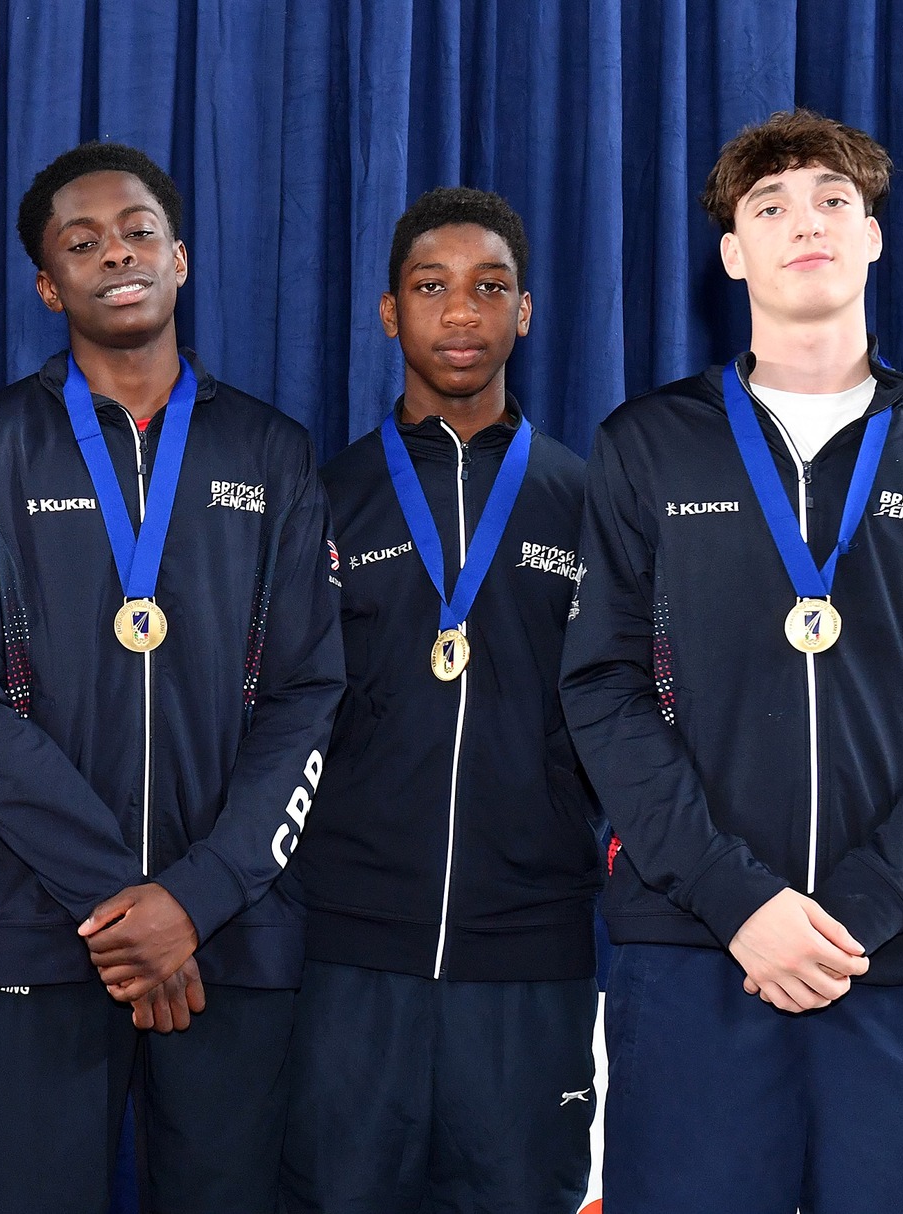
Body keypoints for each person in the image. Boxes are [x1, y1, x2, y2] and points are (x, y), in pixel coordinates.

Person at [560, 109, 903, 1211]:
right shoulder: (647, 444)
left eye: (834, 200)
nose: (806, 223)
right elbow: (601, 691)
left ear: (872, 237)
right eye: (770, 205)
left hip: (900, 960)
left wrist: (867, 908)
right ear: (733, 254)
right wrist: (737, 901)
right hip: (697, 955)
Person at [0, 140, 344, 1214]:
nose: (115, 253)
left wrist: (194, 899)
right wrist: (129, 911)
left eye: (138, 232)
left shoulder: (271, 451)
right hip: (35, 927)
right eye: (82, 242)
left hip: (233, 935)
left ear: (180, 259)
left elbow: (305, 696)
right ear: (46, 284)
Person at [280, 187, 601, 1214]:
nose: (460, 311)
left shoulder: (588, 504)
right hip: (346, 954)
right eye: (430, 287)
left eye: (489, 288)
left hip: (529, 956)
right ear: (388, 312)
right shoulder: (322, 498)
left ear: (525, 312)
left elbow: (626, 715)